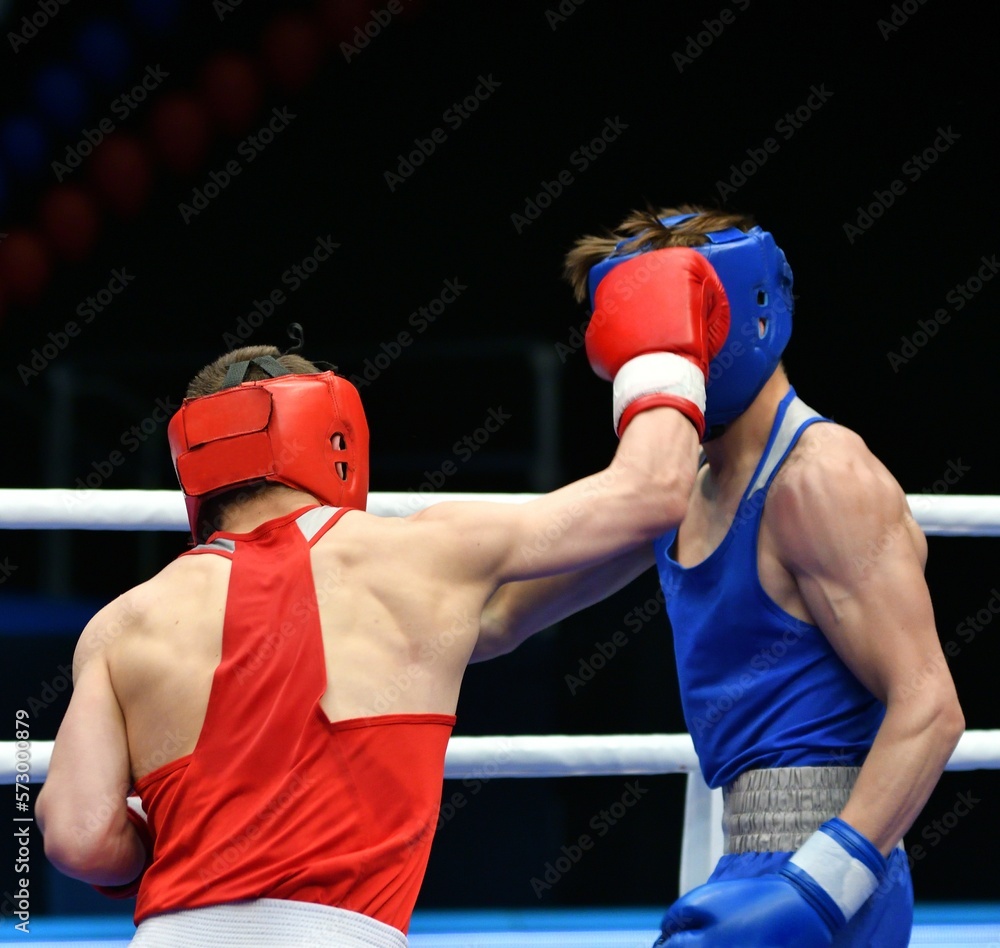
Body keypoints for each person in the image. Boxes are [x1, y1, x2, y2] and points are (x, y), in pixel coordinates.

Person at [34, 243, 728, 948]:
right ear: (334, 439)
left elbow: (80, 837)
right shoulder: (423, 559)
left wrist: (187, 832)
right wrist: (671, 351)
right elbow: (649, 493)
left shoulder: (122, 624)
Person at [544, 205, 963, 946]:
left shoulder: (822, 477)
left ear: (737, 317)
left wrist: (820, 890)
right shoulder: (680, 490)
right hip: (746, 858)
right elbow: (513, 603)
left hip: (836, 864)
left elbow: (930, 707)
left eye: (668, 329)